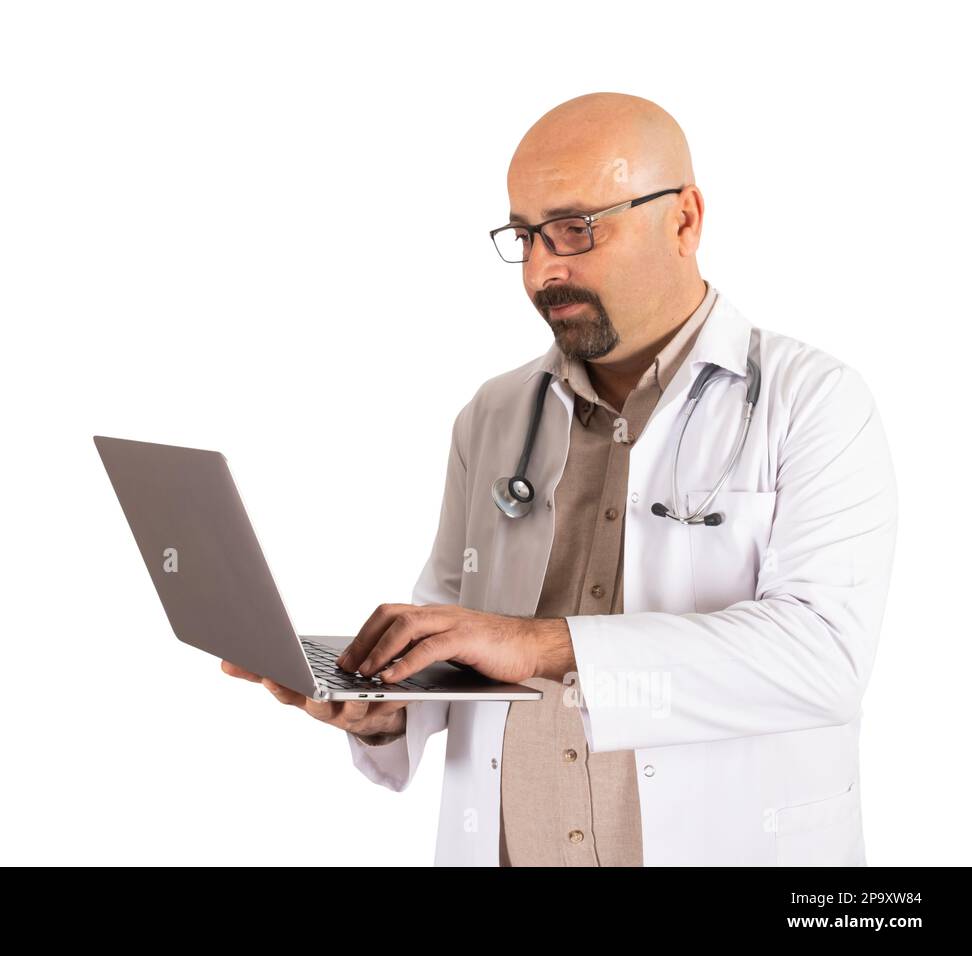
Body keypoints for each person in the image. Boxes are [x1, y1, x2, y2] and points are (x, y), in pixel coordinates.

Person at [223, 91, 898, 866]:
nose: (545, 269)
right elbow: (457, 631)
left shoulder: (812, 400)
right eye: (525, 235)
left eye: (577, 229)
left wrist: (543, 644)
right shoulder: (495, 414)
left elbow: (824, 660)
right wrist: (387, 709)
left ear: (684, 219)